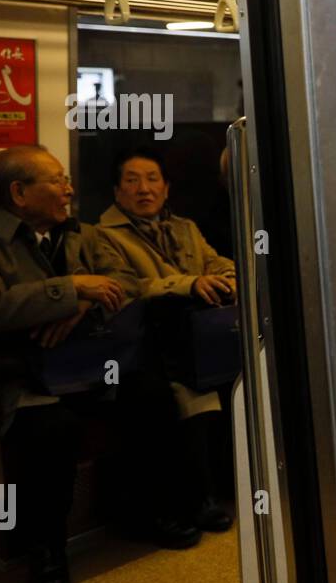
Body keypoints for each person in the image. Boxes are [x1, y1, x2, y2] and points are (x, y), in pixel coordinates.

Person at [0, 145, 197, 583]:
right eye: (56, 181)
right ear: (19, 192)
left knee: (151, 394)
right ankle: (48, 551)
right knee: (49, 431)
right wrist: (71, 288)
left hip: (92, 363)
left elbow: (127, 282)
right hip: (31, 377)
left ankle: (147, 511)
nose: (69, 189)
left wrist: (80, 306)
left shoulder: (82, 234)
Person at [96, 147, 236, 532]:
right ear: (116, 191)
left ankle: (225, 485)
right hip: (145, 344)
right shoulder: (103, 236)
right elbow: (127, 288)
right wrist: (188, 284)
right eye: (132, 180)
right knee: (192, 393)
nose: (144, 189)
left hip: (196, 339)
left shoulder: (184, 228)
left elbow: (217, 262)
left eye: (153, 179)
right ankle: (200, 497)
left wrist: (230, 280)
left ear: (167, 187)